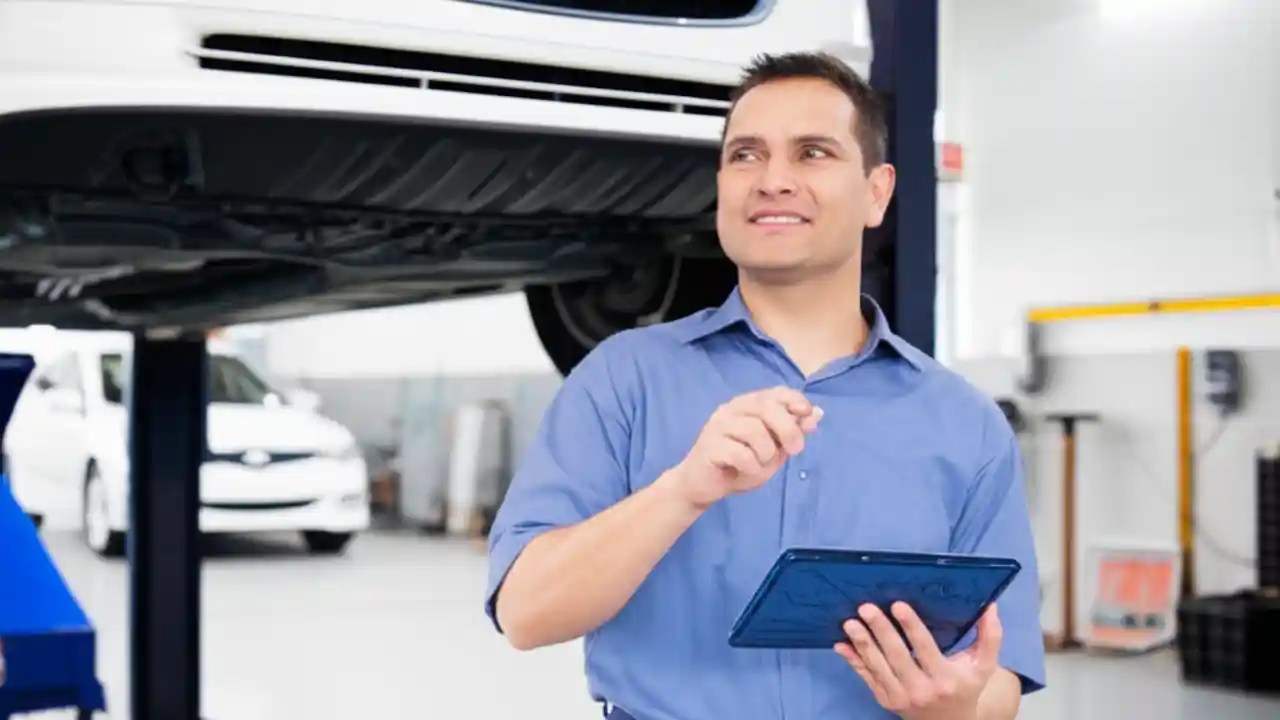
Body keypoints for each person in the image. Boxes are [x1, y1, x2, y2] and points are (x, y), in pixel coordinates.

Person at [484, 51, 1045, 720]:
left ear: (877, 192)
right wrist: (682, 490)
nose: (773, 179)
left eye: (812, 153)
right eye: (746, 155)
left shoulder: (965, 424)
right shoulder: (623, 379)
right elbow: (525, 612)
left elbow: (1001, 673)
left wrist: (954, 711)